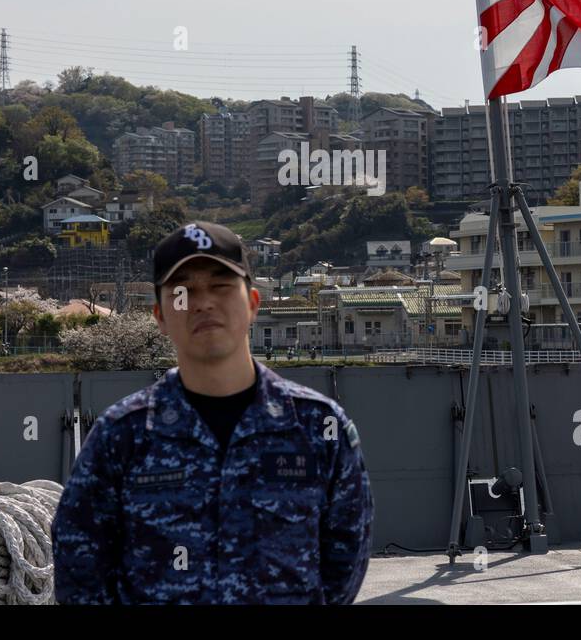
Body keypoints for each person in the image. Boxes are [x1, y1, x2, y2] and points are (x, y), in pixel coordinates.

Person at [52, 221, 373, 604]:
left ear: (253, 303)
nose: (203, 302)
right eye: (183, 291)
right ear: (160, 316)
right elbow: (79, 566)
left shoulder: (318, 428)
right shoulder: (121, 436)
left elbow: (344, 564)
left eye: (221, 285)